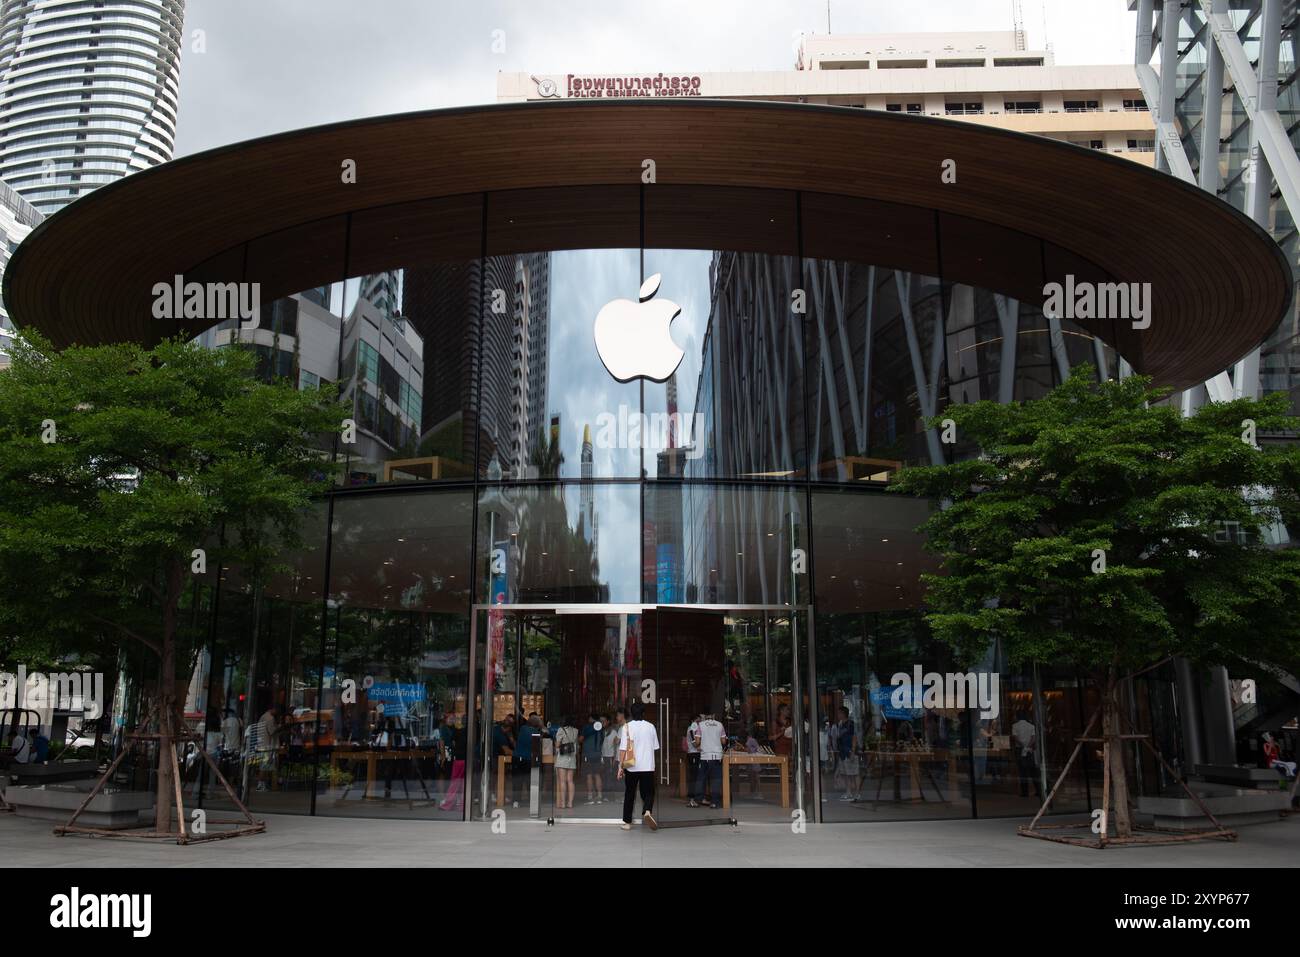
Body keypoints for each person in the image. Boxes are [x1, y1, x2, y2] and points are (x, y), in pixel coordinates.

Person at [617, 702, 660, 831]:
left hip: (631, 766)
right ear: (643, 713)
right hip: (647, 766)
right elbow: (655, 747)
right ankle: (647, 810)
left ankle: (627, 822)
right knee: (649, 792)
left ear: (631, 713)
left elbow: (623, 749)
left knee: (630, 793)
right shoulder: (650, 726)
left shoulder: (627, 727)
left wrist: (620, 767)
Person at [691, 712, 727, 808]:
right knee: (716, 780)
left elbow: (697, 741)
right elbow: (723, 741)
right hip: (717, 756)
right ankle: (714, 802)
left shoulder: (701, 725)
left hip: (705, 756)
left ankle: (697, 800)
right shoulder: (720, 725)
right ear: (714, 716)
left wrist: (698, 743)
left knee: (701, 779)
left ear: (705, 716)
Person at [1011, 710, 1041, 798]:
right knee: (1033, 770)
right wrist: (1028, 746)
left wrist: (1023, 745)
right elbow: (1033, 738)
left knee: (1022, 771)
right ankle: (1038, 790)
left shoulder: (1015, 726)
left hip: (1020, 749)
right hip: (1030, 749)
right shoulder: (1031, 726)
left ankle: (1025, 792)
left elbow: (1015, 737)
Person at [553, 715, 580, 809]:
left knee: (562, 781)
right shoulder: (576, 731)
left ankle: (563, 803)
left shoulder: (561, 730)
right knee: (570, 781)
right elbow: (576, 744)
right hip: (572, 757)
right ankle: (570, 803)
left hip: (562, 757)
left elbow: (557, 744)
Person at [579, 713, 605, 804]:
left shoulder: (587, 727)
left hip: (588, 754)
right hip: (598, 753)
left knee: (589, 775)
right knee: (597, 775)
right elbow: (602, 739)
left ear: (590, 718)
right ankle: (600, 795)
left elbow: (581, 739)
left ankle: (590, 796)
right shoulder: (601, 727)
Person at [684, 713, 702, 805]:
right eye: (697, 721)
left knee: (695, 776)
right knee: (693, 776)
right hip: (693, 754)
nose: (699, 723)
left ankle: (696, 797)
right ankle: (691, 798)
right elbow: (695, 744)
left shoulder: (694, 729)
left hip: (695, 754)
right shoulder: (692, 729)